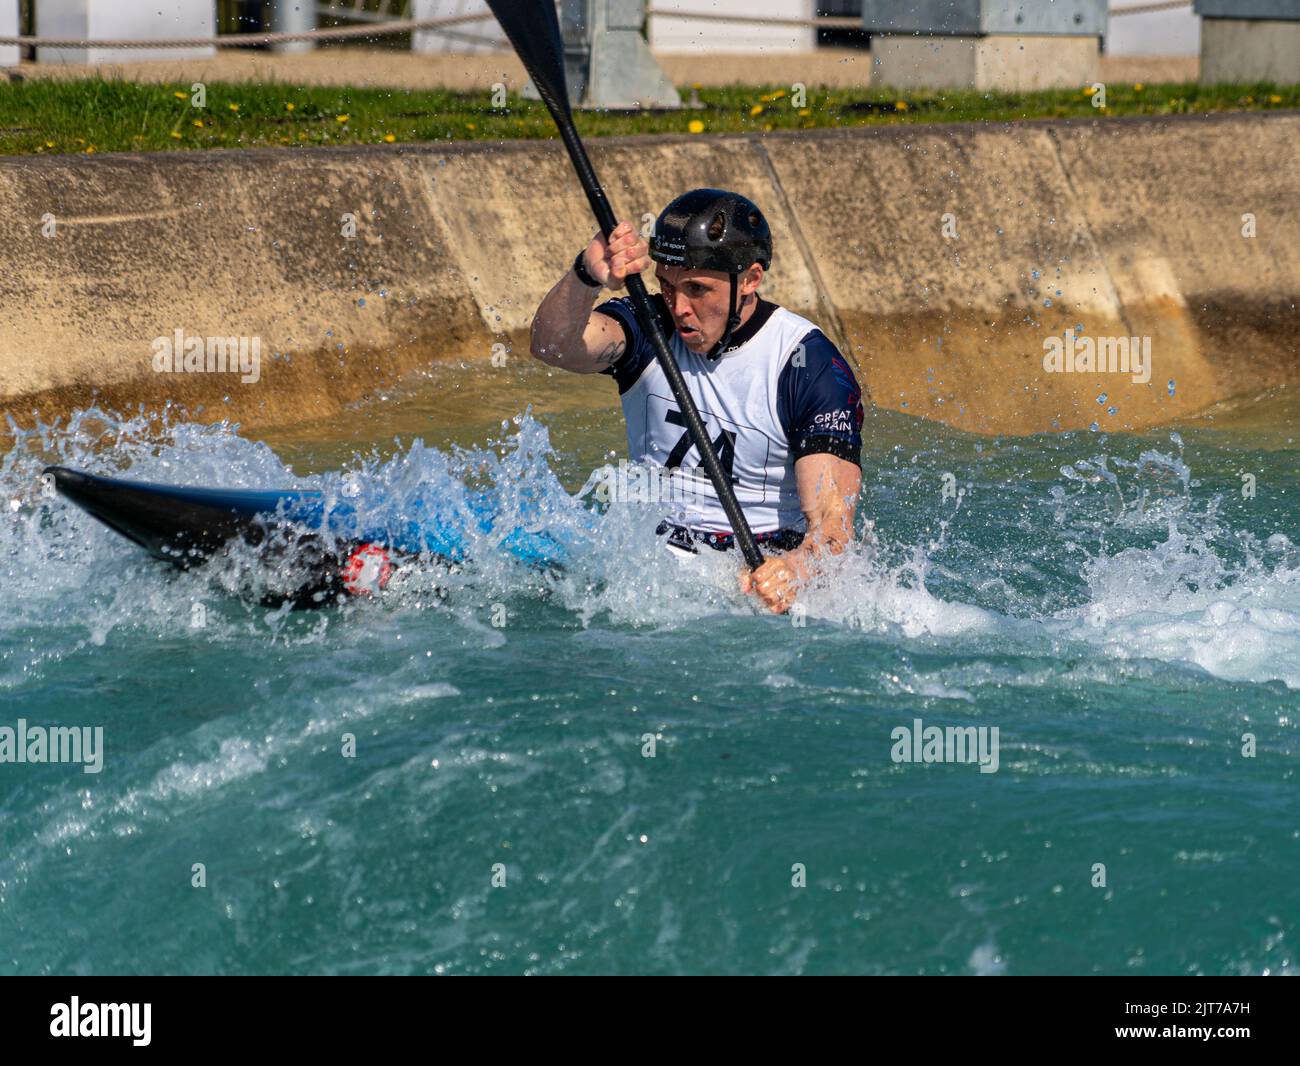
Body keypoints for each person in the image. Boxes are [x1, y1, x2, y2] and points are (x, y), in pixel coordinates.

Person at [529, 188, 865, 614]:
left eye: (697, 289)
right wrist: (584, 275)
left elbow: (833, 530)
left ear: (750, 279)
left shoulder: (807, 365)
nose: (679, 308)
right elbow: (551, 346)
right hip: (646, 571)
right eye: (667, 286)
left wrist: (793, 569)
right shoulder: (648, 327)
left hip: (753, 577)